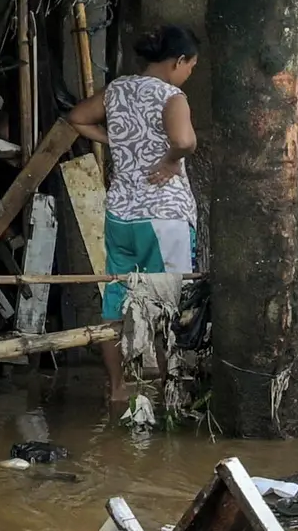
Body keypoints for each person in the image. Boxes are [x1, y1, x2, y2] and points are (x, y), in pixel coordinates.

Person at [67, 24, 201, 407]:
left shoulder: (118, 90)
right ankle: (170, 392)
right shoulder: (172, 97)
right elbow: (185, 141)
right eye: (191, 65)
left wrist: (118, 141)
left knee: (115, 304)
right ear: (178, 61)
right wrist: (171, 160)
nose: (190, 73)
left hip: (120, 216)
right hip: (164, 217)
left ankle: (116, 390)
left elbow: (76, 117)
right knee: (169, 305)